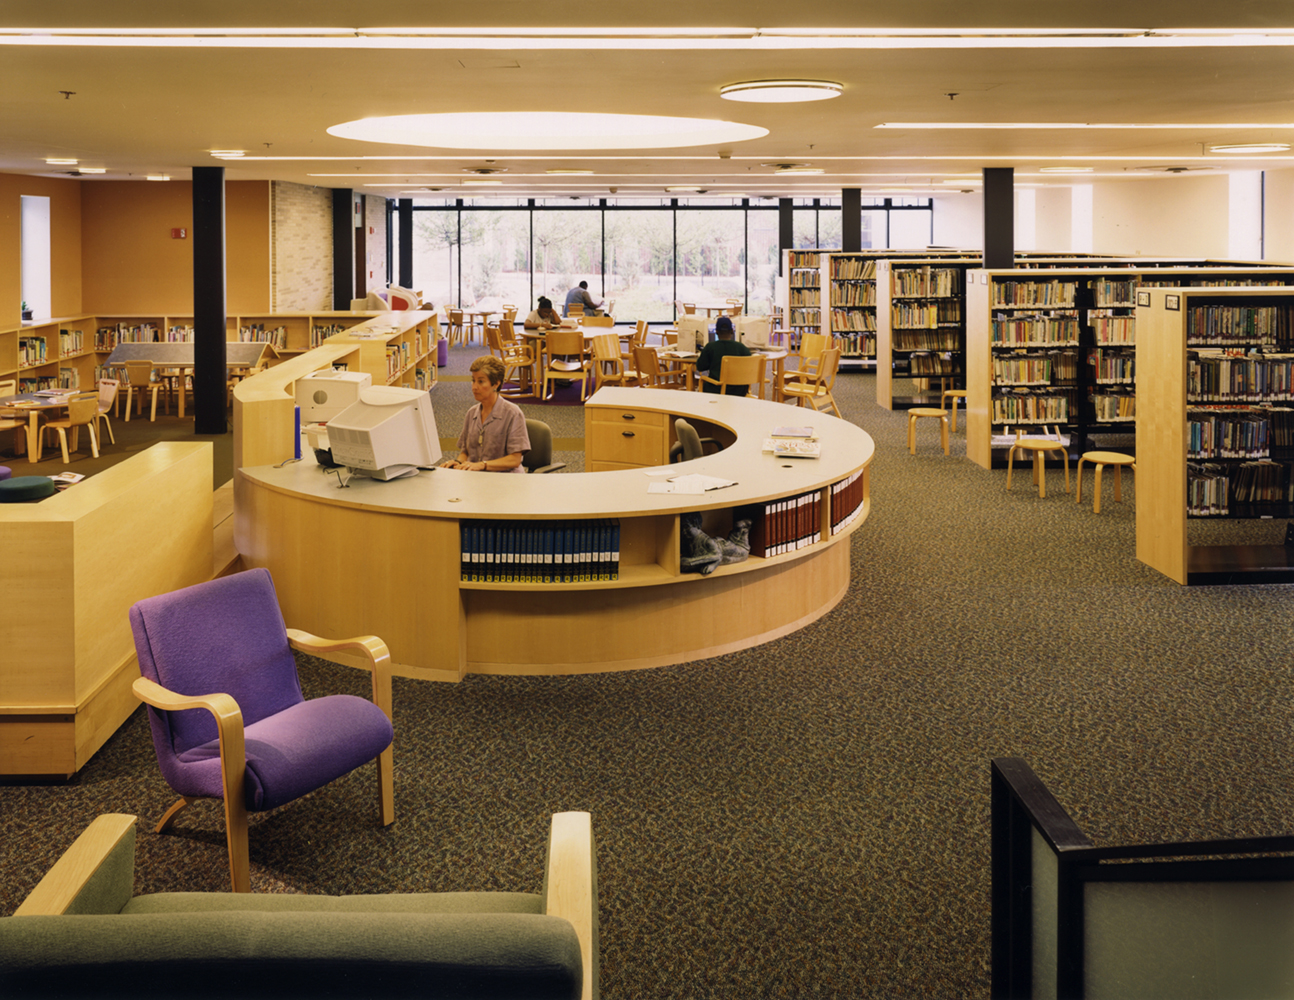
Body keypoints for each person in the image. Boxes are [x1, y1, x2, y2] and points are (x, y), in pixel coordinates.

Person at [442, 356, 531, 473]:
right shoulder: (471, 413)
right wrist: (458, 463)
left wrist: (482, 465)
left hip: (506, 480)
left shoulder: (513, 413)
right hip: (477, 478)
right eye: (473, 380)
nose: (474, 387)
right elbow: (465, 452)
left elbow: (515, 460)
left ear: (496, 384)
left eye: (481, 381)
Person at [696, 315, 752, 396]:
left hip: (716, 389)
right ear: (732, 331)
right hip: (738, 391)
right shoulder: (742, 348)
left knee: (703, 383)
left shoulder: (710, 347)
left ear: (716, 331)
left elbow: (700, 367)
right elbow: (749, 368)